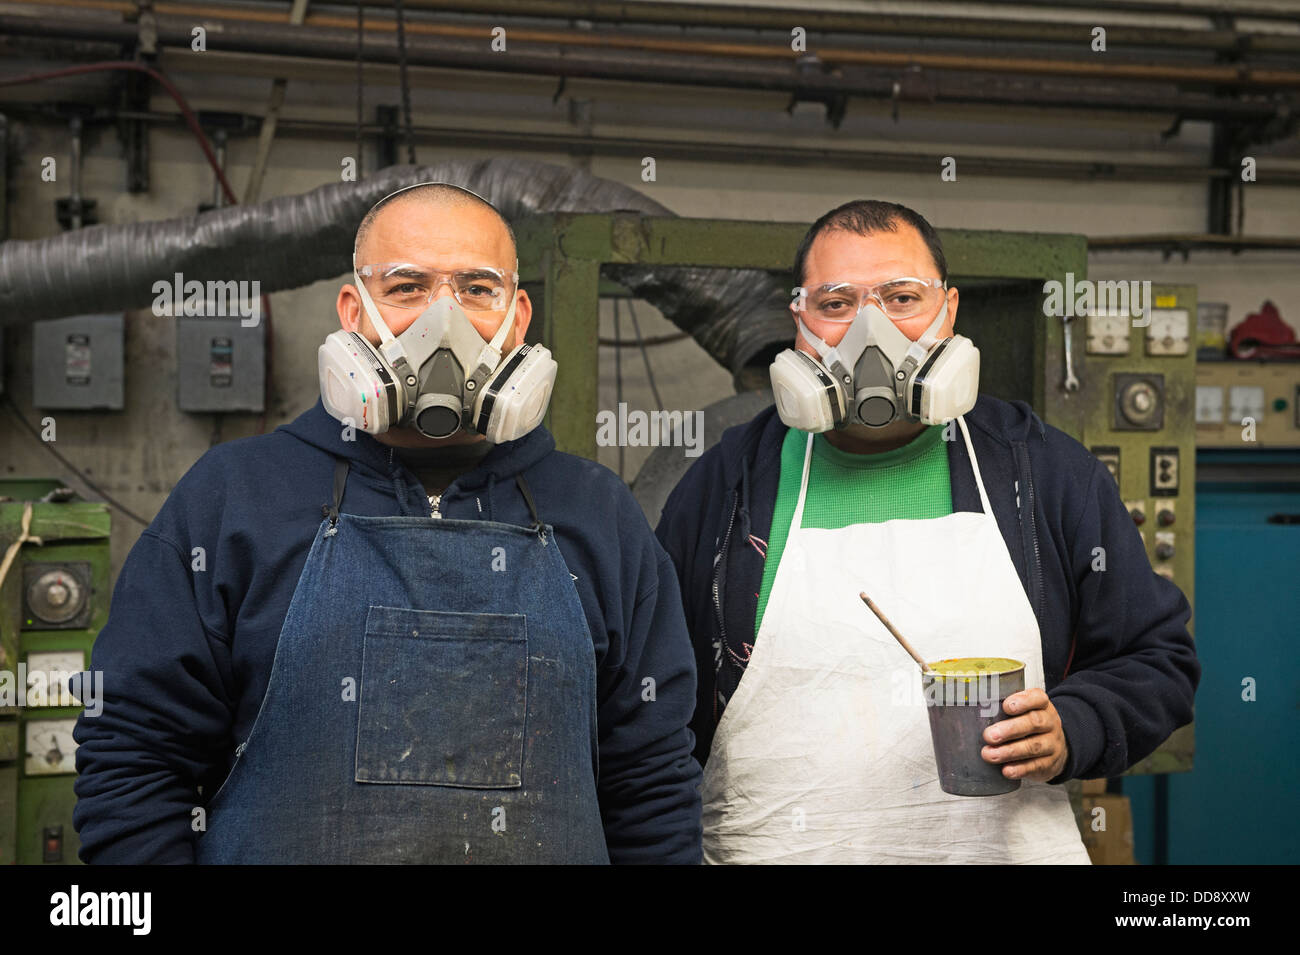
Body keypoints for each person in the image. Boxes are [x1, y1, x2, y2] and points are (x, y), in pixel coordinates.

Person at [72, 182, 702, 864]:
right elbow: (133, 758)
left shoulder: (600, 515)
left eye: (477, 288)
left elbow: (652, 788)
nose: (444, 319)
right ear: (353, 312)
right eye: (407, 286)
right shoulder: (233, 499)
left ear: (519, 318)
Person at [655, 199, 1199, 864]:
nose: (871, 330)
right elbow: (647, 716)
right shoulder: (725, 487)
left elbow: (1157, 660)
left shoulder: (1045, 473)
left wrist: (1075, 724)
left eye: (902, 298)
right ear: (798, 321)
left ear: (949, 311)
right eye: (836, 303)